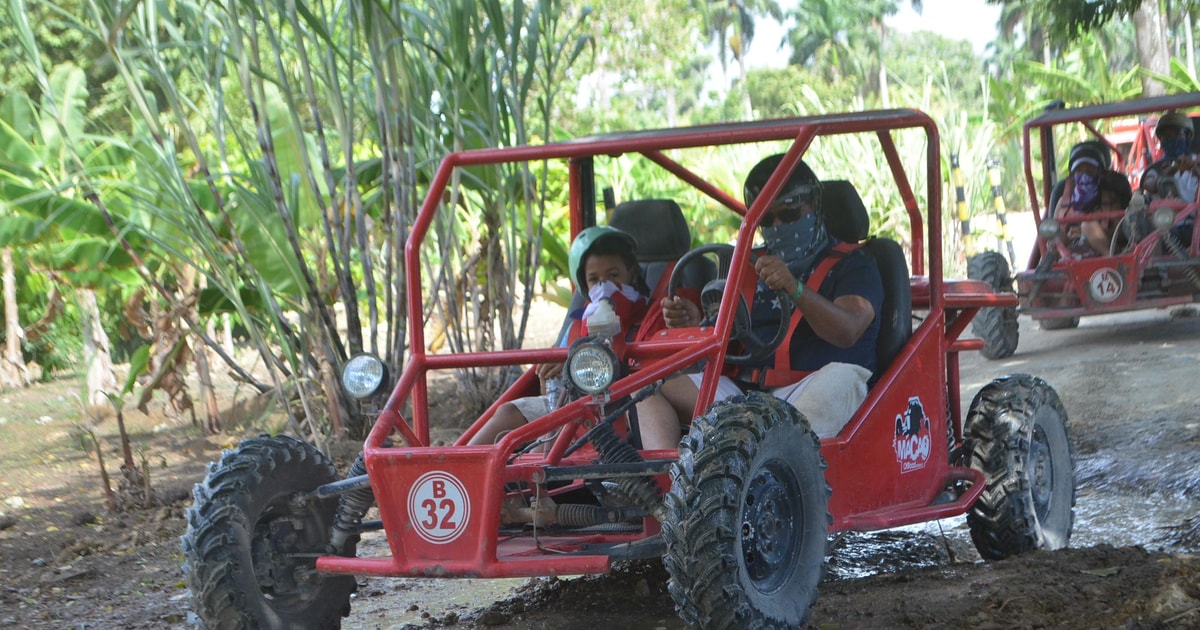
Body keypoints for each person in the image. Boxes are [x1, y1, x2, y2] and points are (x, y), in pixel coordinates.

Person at [651, 154, 884, 439]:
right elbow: (726, 336)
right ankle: (667, 479)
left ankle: (767, 450)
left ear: (815, 205)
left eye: (788, 214)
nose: (779, 225)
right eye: (767, 219)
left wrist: (794, 288)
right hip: (742, 397)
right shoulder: (748, 263)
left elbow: (848, 330)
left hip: (810, 386)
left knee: (843, 378)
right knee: (649, 386)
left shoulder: (854, 263)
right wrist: (695, 322)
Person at [469, 226, 687, 449]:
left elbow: (671, 372)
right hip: (573, 405)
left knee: (640, 400)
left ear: (631, 272)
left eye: (613, 275)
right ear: (585, 285)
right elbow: (550, 394)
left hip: (629, 403)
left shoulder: (655, 316)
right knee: (509, 412)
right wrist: (553, 374)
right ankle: (455, 471)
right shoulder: (576, 326)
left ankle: (664, 476)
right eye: (595, 279)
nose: (605, 286)